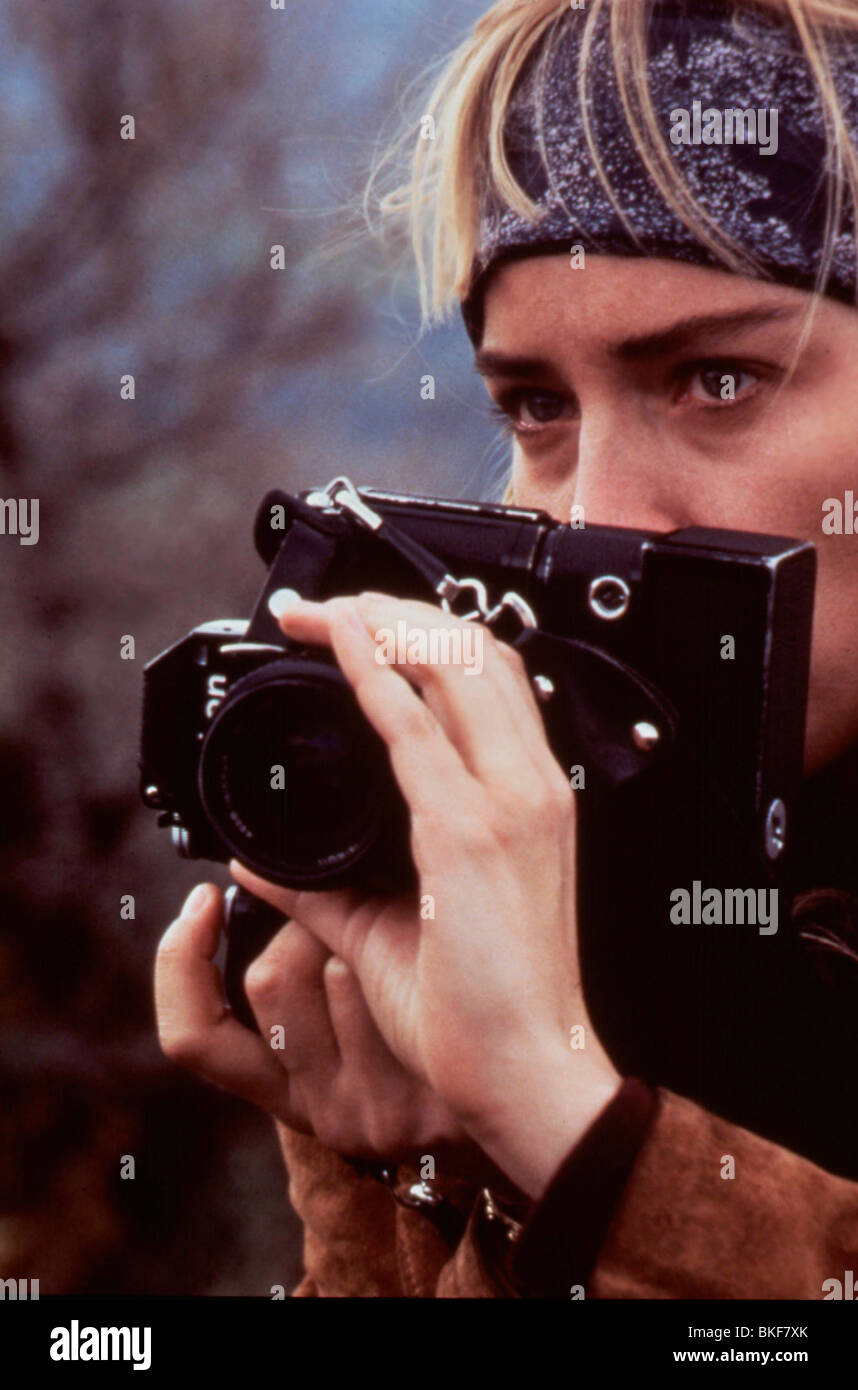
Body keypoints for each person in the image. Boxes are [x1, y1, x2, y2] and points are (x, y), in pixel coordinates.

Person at [153, 0, 858, 1298]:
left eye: (716, 380)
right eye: (535, 407)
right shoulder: (566, 906)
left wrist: (584, 1142)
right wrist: (423, 1178)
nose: (593, 516)